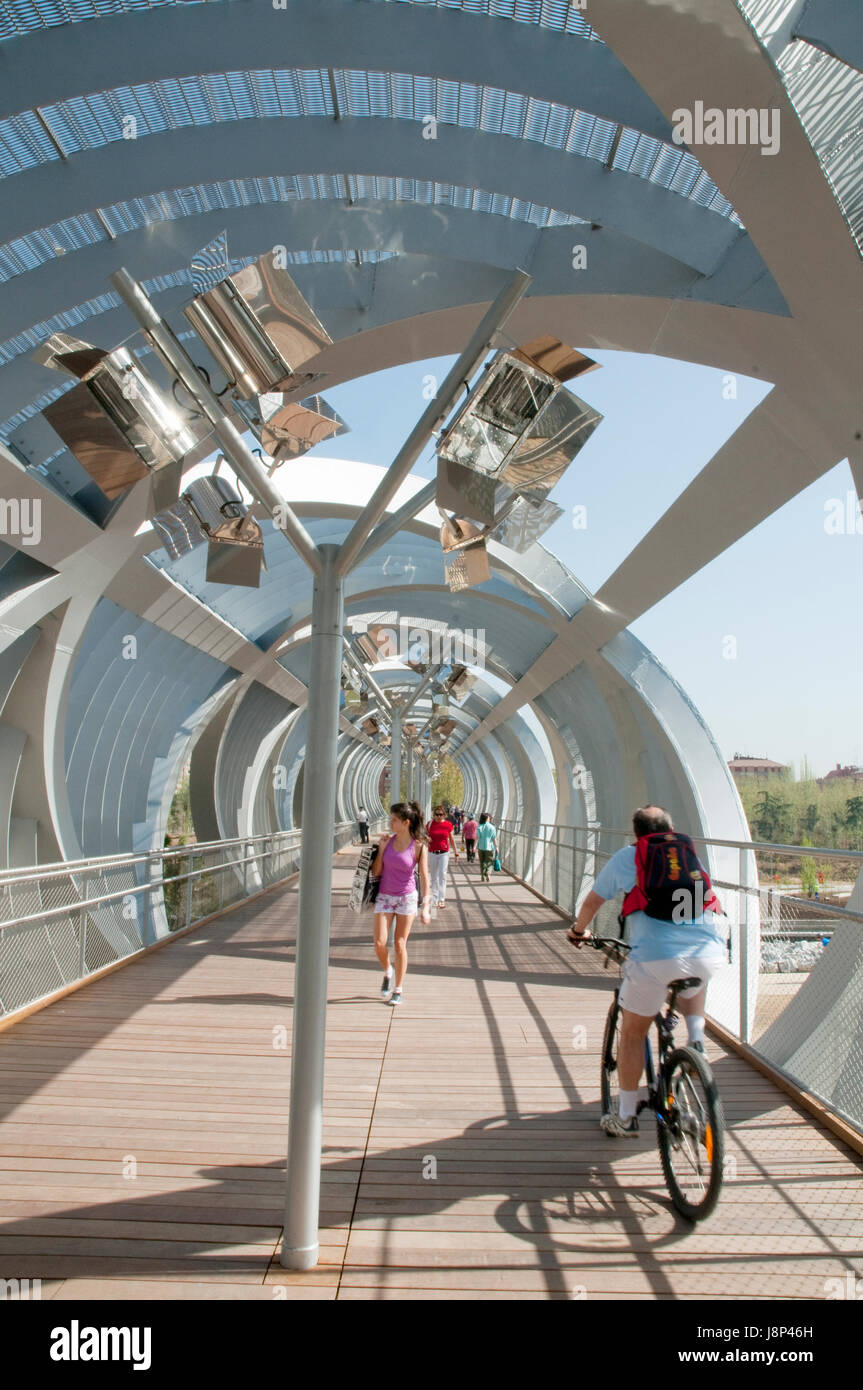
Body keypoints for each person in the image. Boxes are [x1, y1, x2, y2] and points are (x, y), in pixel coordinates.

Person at [567, 804, 727, 1137]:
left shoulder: (630, 857)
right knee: (693, 978)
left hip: (655, 958)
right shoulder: (686, 855)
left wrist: (578, 930)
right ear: (670, 828)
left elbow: (593, 901)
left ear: (636, 834)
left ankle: (625, 1116)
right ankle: (697, 1039)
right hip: (709, 950)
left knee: (633, 1033)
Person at [371, 802, 431, 1007]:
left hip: (407, 898)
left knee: (399, 944)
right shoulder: (387, 842)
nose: (390, 823)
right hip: (385, 896)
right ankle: (388, 970)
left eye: (394, 820)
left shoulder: (419, 847)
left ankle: (398, 989)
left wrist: (427, 907)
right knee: (379, 942)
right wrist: (380, 850)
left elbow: (424, 877)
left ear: (405, 823)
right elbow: (377, 872)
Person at [426, 804, 459, 908]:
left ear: (444, 815)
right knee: (434, 876)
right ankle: (434, 898)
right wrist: (426, 839)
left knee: (442, 876)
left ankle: (441, 899)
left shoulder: (448, 825)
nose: (438, 816)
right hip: (432, 852)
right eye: (436, 814)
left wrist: (456, 852)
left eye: (441, 814)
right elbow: (423, 836)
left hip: (444, 853)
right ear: (433, 815)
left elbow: (452, 839)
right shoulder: (429, 824)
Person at [476, 812, 497, 882]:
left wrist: (474, 847)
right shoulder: (492, 827)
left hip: (481, 847)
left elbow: (477, 838)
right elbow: (494, 838)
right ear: (487, 818)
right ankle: (488, 872)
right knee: (489, 862)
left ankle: (483, 877)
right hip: (490, 848)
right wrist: (496, 847)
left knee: (482, 863)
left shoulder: (479, 827)